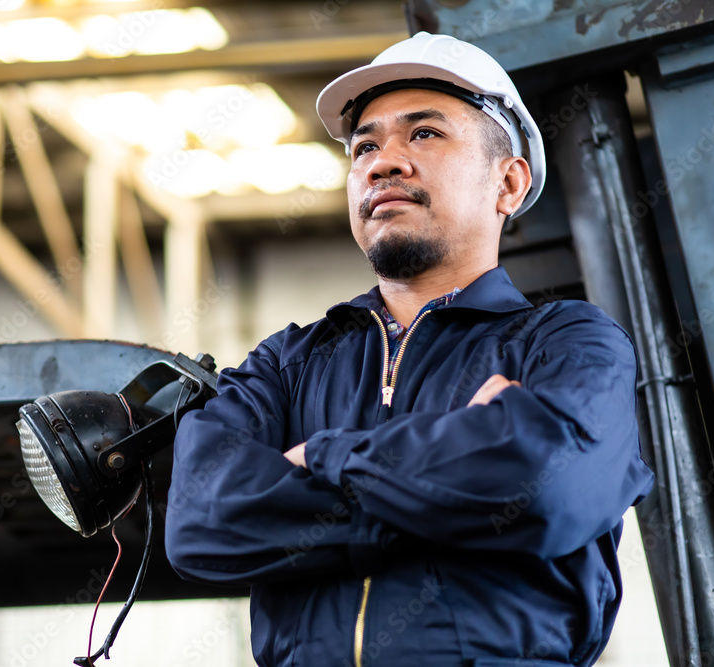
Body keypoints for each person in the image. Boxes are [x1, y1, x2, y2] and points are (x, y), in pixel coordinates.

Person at [165, 32, 654, 667]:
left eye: (424, 134)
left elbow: (546, 490)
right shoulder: (286, 363)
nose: (383, 161)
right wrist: (457, 475)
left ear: (507, 183)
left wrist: (322, 455)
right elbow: (200, 520)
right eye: (365, 145)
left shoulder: (567, 343)